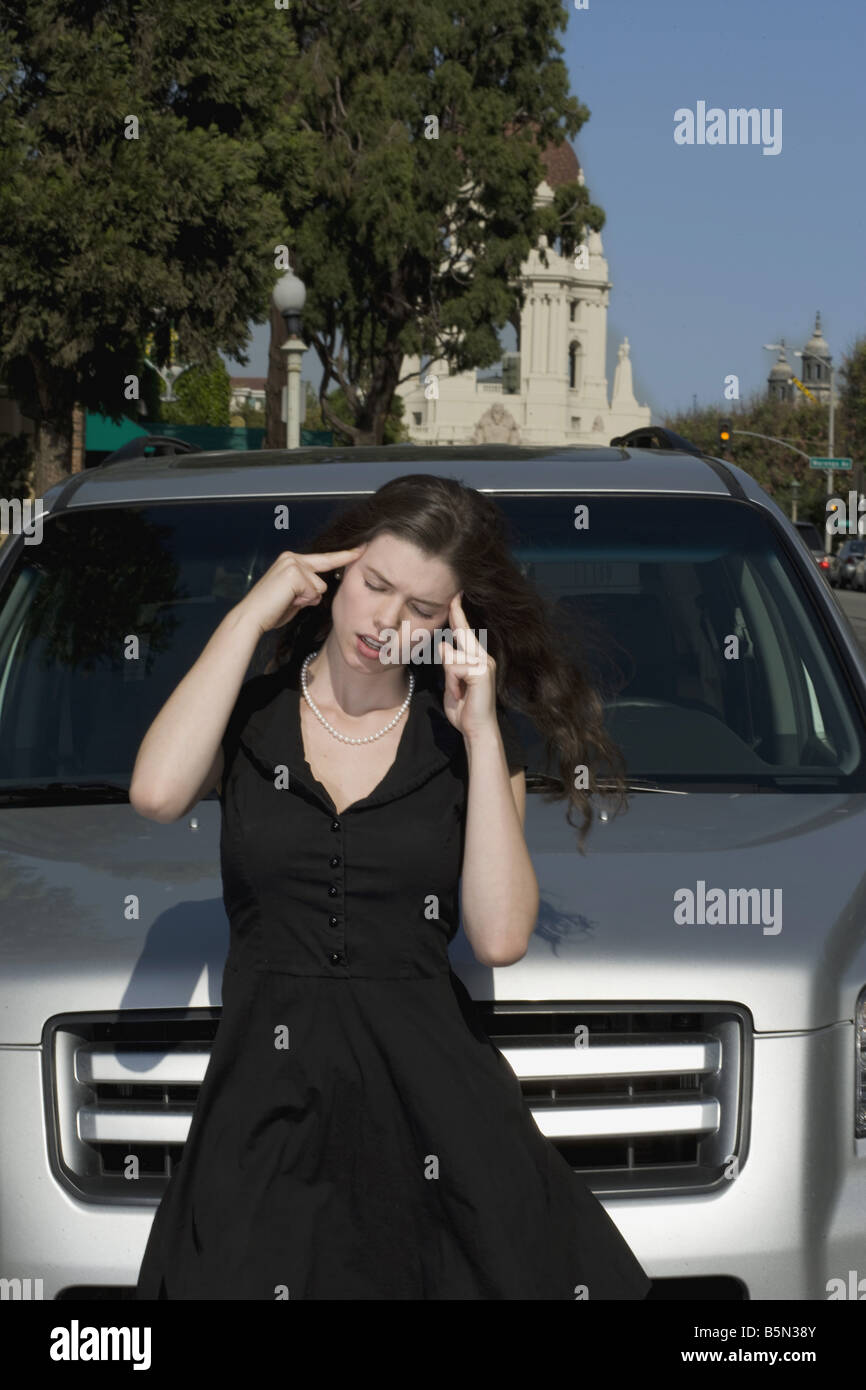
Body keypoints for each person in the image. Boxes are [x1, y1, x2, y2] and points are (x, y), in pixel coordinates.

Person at [130, 473, 649, 1300]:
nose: (386, 623)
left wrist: (480, 729)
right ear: (336, 571)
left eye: (423, 609)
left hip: (436, 1121)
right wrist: (251, 612)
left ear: (455, 622)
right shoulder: (249, 715)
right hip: (264, 1115)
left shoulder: (467, 742)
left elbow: (500, 936)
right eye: (375, 585)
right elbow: (156, 794)